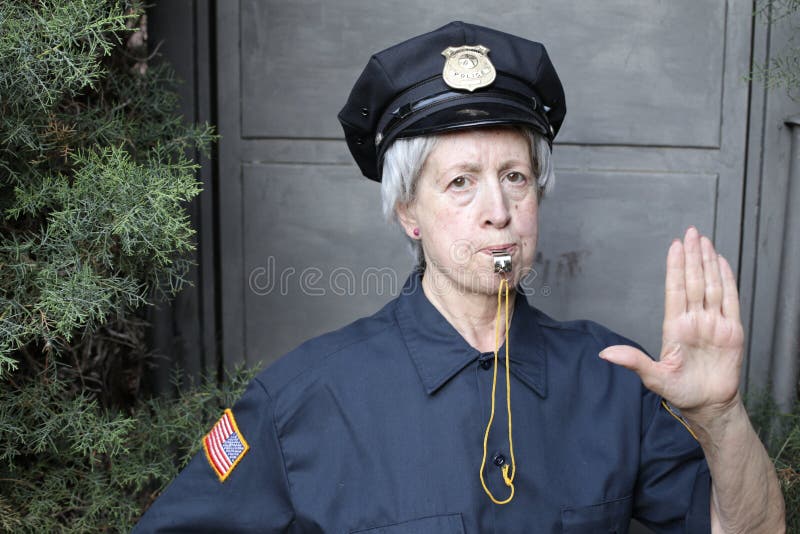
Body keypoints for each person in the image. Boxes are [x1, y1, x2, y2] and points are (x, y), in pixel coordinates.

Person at [133, 21, 785, 533]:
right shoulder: (304, 399)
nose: (498, 212)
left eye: (515, 178)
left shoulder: (613, 381)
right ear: (408, 212)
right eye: (461, 183)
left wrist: (723, 419)